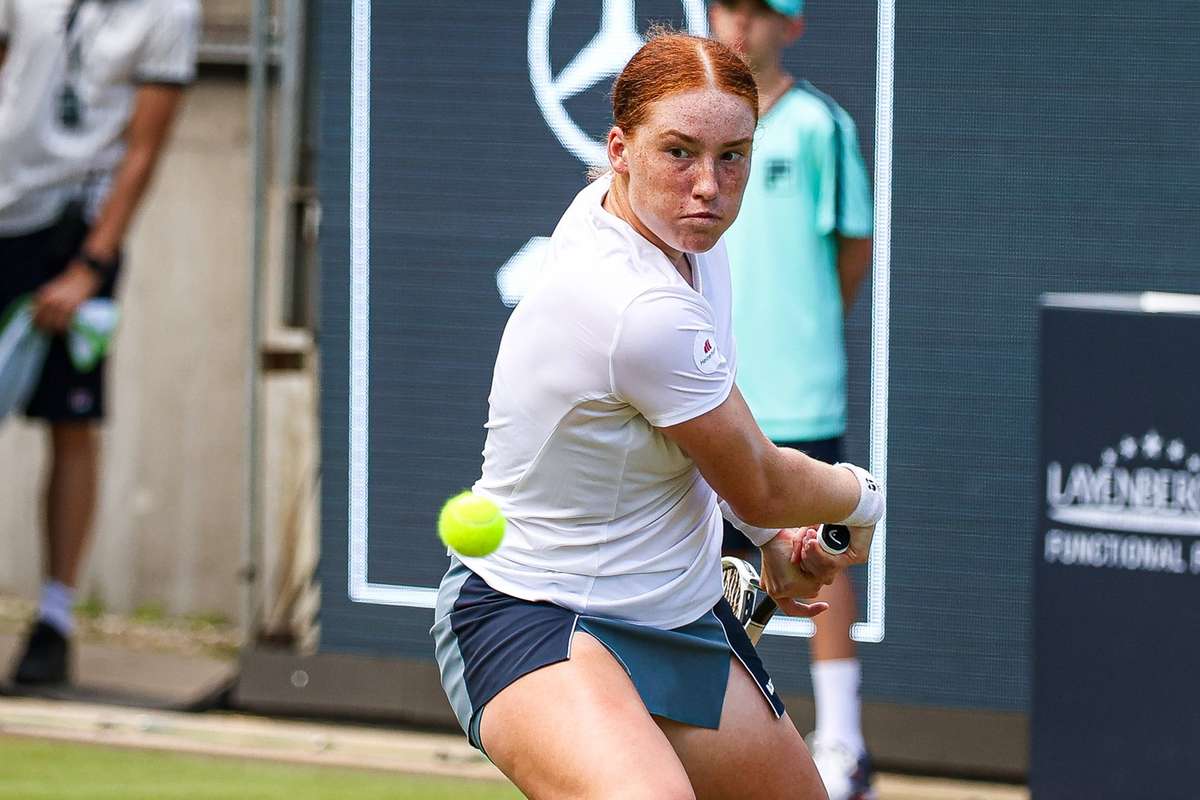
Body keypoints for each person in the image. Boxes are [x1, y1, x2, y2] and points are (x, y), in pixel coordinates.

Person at [430, 30, 885, 800]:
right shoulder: (637, 306)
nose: (708, 184)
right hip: (537, 617)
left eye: (732, 156)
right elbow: (763, 484)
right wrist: (862, 499)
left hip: (677, 616)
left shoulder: (680, 236)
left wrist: (773, 543)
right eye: (679, 153)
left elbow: (699, 448)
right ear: (620, 148)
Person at [0, 0, 200, 686]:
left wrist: (91, 263)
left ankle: (53, 621)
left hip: (73, 232)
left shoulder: (170, 12)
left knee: (70, 422)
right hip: (4, 213)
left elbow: (144, 147)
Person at [708, 2, 877, 798]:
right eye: (727, 5)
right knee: (701, 568)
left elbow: (853, 245)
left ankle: (841, 743)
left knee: (819, 560)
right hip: (714, 388)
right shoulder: (706, 128)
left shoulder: (819, 126)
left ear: (792, 27)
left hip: (800, 389)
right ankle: (704, 730)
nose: (741, 23)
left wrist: (803, 326)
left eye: (761, 10)